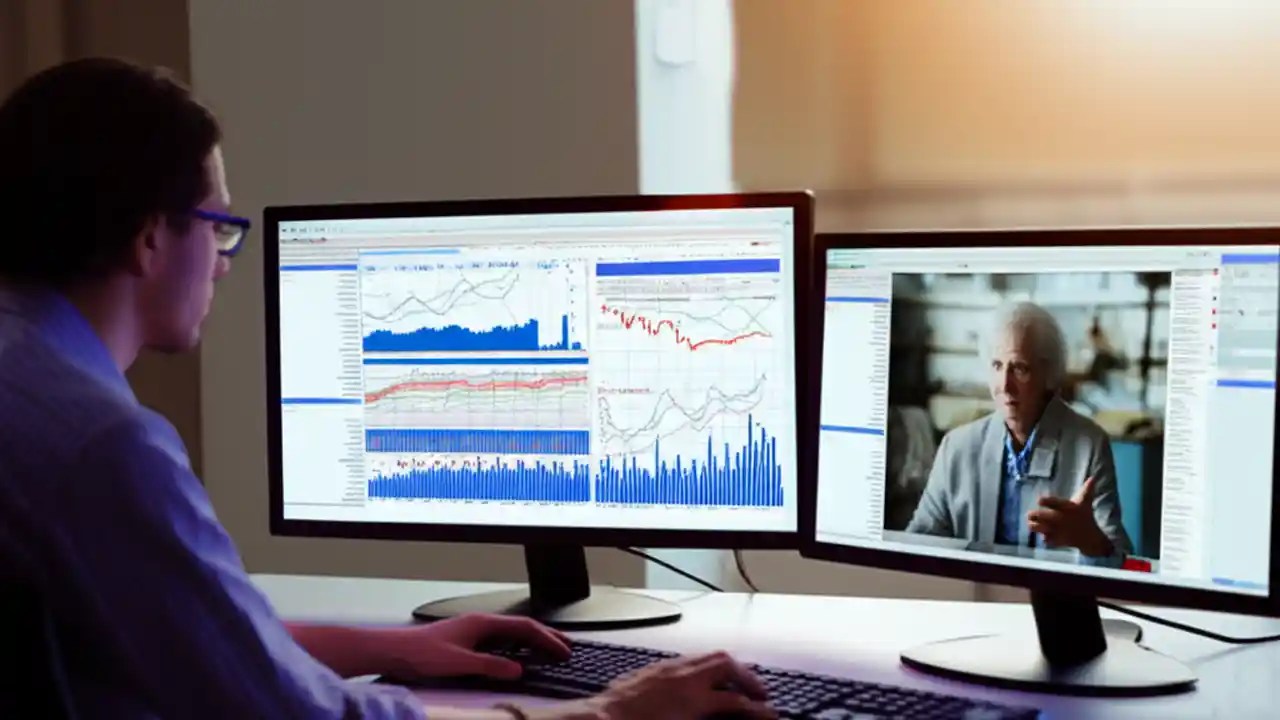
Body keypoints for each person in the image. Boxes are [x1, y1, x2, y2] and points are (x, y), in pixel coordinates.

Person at [0, 58, 775, 720]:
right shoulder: (103, 449)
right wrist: (605, 712)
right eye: (217, 224)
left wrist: (394, 648)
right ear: (148, 237)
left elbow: (188, 632)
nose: (226, 258)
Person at [904, 302, 1132, 562]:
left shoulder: (1088, 445)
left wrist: (1090, 541)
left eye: (1020, 368)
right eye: (997, 366)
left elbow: (1124, 564)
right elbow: (918, 545)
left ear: (1049, 374)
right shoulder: (956, 447)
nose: (1005, 386)